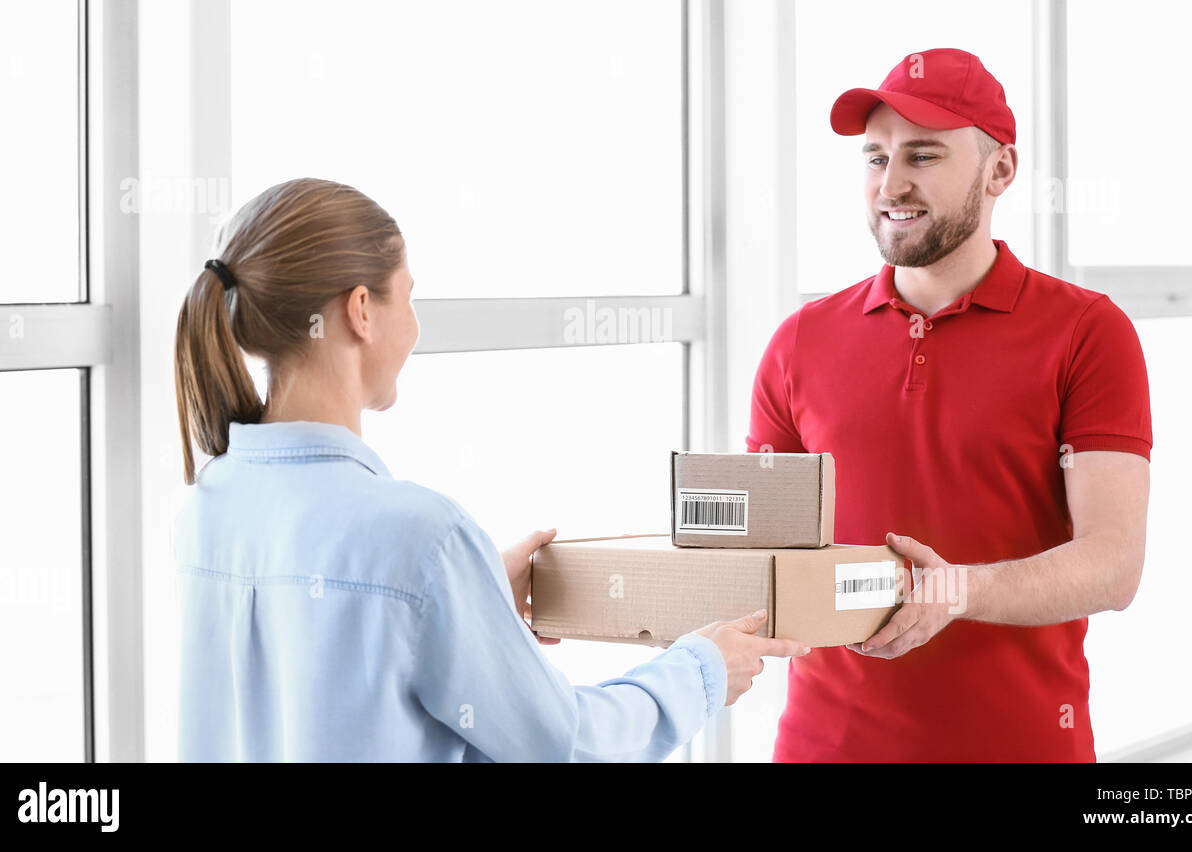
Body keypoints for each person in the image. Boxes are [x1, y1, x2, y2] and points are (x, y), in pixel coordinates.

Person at [172, 177, 807, 762]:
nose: (414, 326)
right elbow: (562, 745)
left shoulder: (207, 504)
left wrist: (470, 603)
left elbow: (327, 671)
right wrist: (701, 669)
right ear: (360, 309)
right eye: (409, 297)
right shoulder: (418, 534)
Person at [748, 48, 1151, 762]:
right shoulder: (799, 342)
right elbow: (763, 555)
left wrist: (956, 591)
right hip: (822, 746)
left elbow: (1113, 566)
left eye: (923, 156)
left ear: (1000, 171)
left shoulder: (1088, 333)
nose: (890, 183)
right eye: (875, 158)